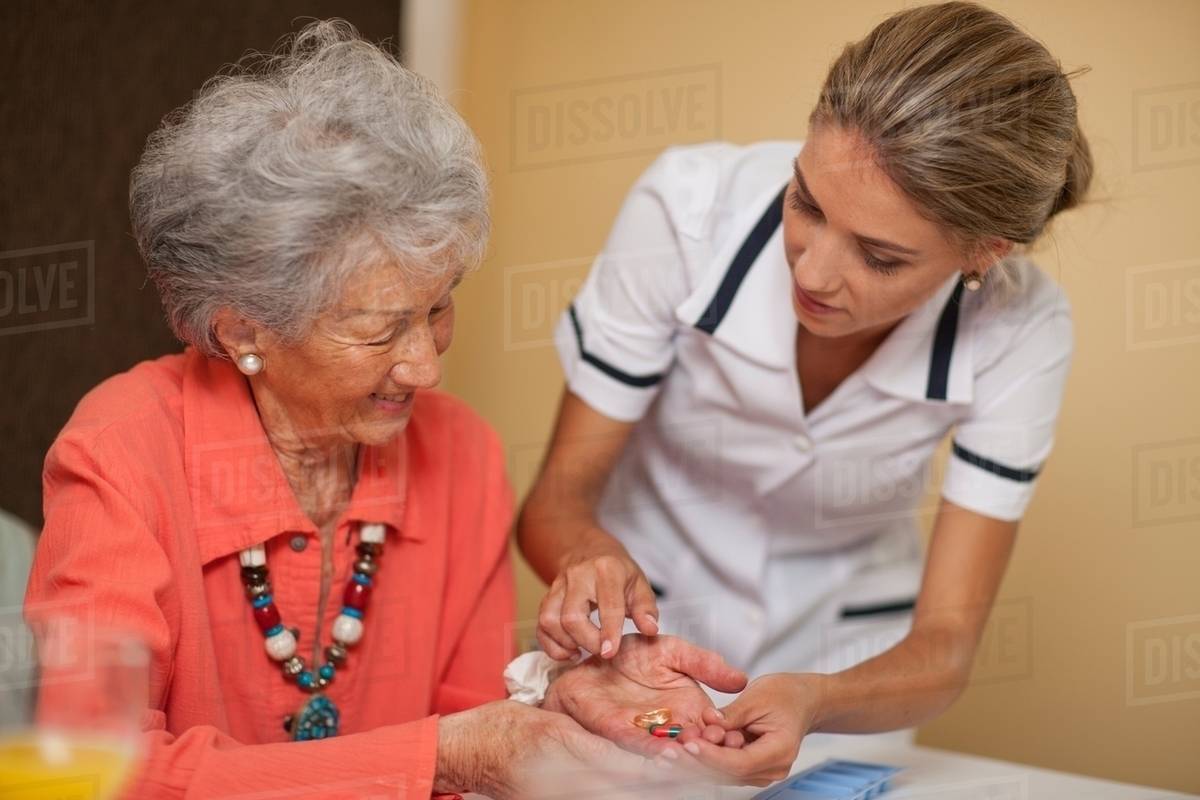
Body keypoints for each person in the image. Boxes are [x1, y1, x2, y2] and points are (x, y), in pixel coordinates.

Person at [22, 21, 745, 799]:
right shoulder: (121, 454)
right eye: (379, 330)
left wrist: (561, 699)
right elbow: (96, 778)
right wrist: (438, 758)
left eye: (438, 308)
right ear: (244, 331)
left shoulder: (460, 453)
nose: (426, 367)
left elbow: (477, 734)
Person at [519, 1, 1092, 784]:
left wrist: (816, 699)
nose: (814, 273)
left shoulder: (1024, 327)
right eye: (807, 204)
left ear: (983, 253)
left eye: (880, 257)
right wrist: (590, 560)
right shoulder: (686, 212)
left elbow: (946, 647)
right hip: (640, 649)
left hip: (853, 669)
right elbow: (554, 501)